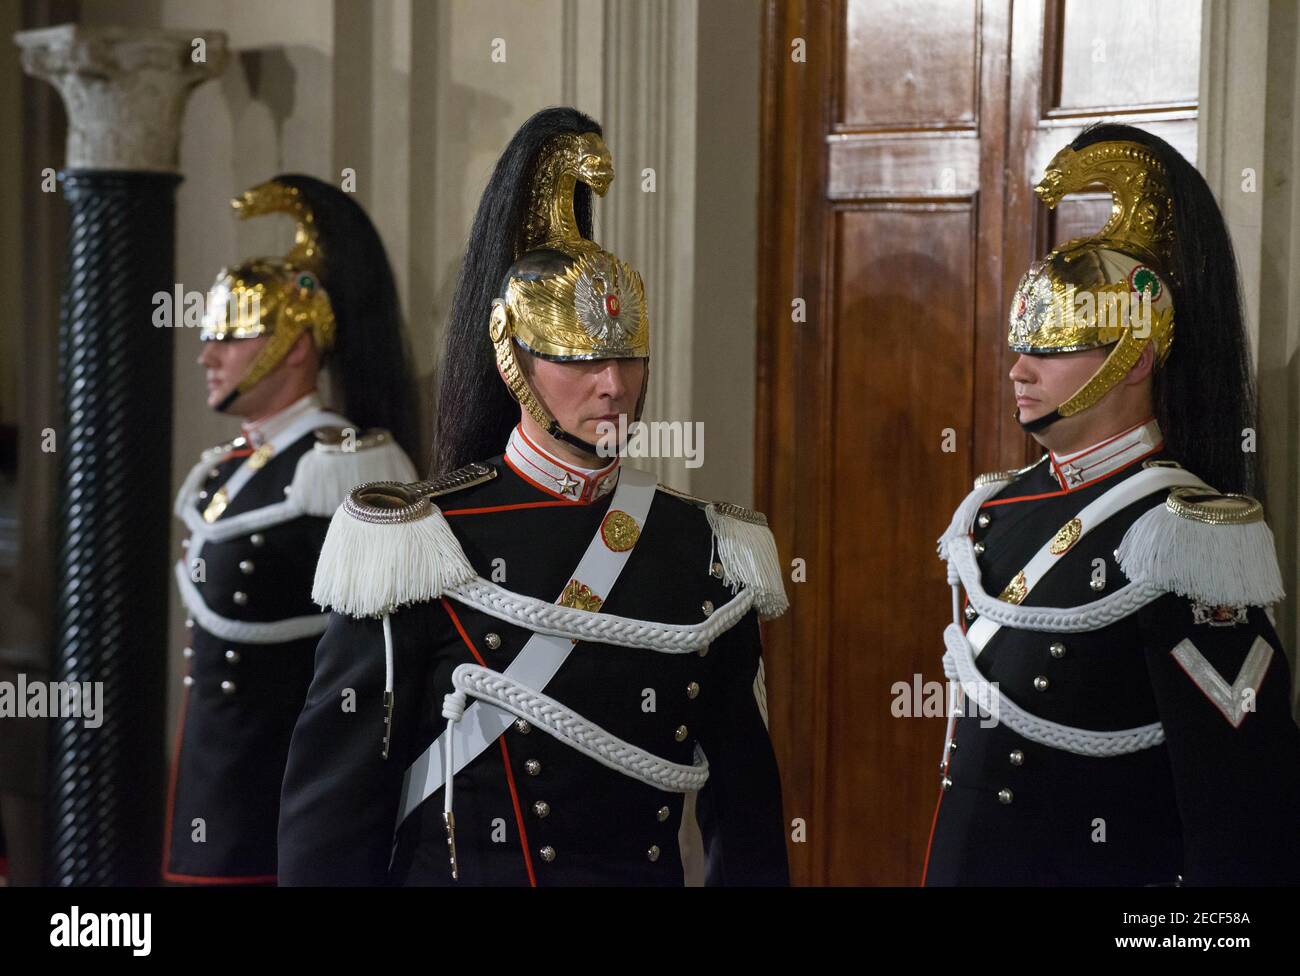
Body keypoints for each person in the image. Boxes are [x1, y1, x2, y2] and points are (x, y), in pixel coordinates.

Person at [277, 107, 790, 886]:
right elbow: (333, 816)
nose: (613, 387)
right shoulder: (419, 543)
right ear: (513, 358)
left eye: (628, 359)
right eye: (578, 361)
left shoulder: (707, 549)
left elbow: (745, 816)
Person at [924, 123, 1300, 886]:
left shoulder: (1184, 536)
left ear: (1135, 359)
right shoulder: (1000, 508)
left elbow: (1237, 802)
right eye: (1021, 342)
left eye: (1056, 345)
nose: (1019, 369)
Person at [164, 175, 419, 884]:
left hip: (287, 800)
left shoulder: (344, 466)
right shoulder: (228, 467)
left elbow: (374, 665)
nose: (208, 354)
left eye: (232, 335)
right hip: (215, 782)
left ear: (297, 345)